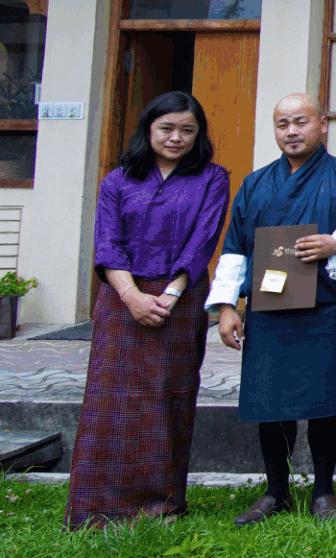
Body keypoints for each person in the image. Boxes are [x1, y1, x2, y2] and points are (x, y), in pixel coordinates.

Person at [207, 95, 336, 525]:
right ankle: (275, 490)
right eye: (282, 124)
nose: (291, 131)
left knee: (326, 400)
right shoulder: (255, 183)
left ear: (322, 124)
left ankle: (324, 489)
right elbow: (236, 246)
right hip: (268, 309)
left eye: (300, 122)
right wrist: (228, 306)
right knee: (271, 400)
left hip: (323, 306)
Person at [66, 92, 230, 528]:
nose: (176, 138)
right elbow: (107, 243)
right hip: (122, 299)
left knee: (168, 400)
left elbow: (203, 240)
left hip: (180, 299)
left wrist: (170, 295)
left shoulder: (212, 179)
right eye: (167, 128)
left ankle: (160, 506)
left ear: (199, 136)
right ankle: (97, 507)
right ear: (148, 129)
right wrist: (131, 296)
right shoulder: (117, 180)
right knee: (111, 402)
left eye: (187, 130)